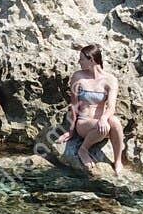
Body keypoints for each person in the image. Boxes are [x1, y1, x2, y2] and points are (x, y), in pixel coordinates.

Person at [53, 44, 126, 174]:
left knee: (116, 122)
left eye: (81, 59)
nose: (79, 62)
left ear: (91, 60)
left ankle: (118, 161)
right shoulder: (78, 77)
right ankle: (83, 149)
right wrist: (70, 131)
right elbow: (74, 105)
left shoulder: (111, 80)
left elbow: (111, 107)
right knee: (104, 126)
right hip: (84, 123)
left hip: (101, 123)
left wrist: (103, 118)